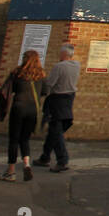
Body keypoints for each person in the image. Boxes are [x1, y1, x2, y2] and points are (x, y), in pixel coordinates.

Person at [0, 49, 48, 182]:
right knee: (25, 139)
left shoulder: (17, 73)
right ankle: (26, 163)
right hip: (32, 110)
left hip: (18, 107)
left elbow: (8, 89)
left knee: (14, 139)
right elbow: (45, 92)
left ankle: (11, 171)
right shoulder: (41, 75)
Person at [36, 43, 80, 173]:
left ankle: (62, 160)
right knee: (54, 129)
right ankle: (45, 157)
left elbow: (50, 83)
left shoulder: (59, 66)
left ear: (63, 54)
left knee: (56, 130)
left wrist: (42, 80)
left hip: (57, 99)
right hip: (69, 97)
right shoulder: (77, 65)